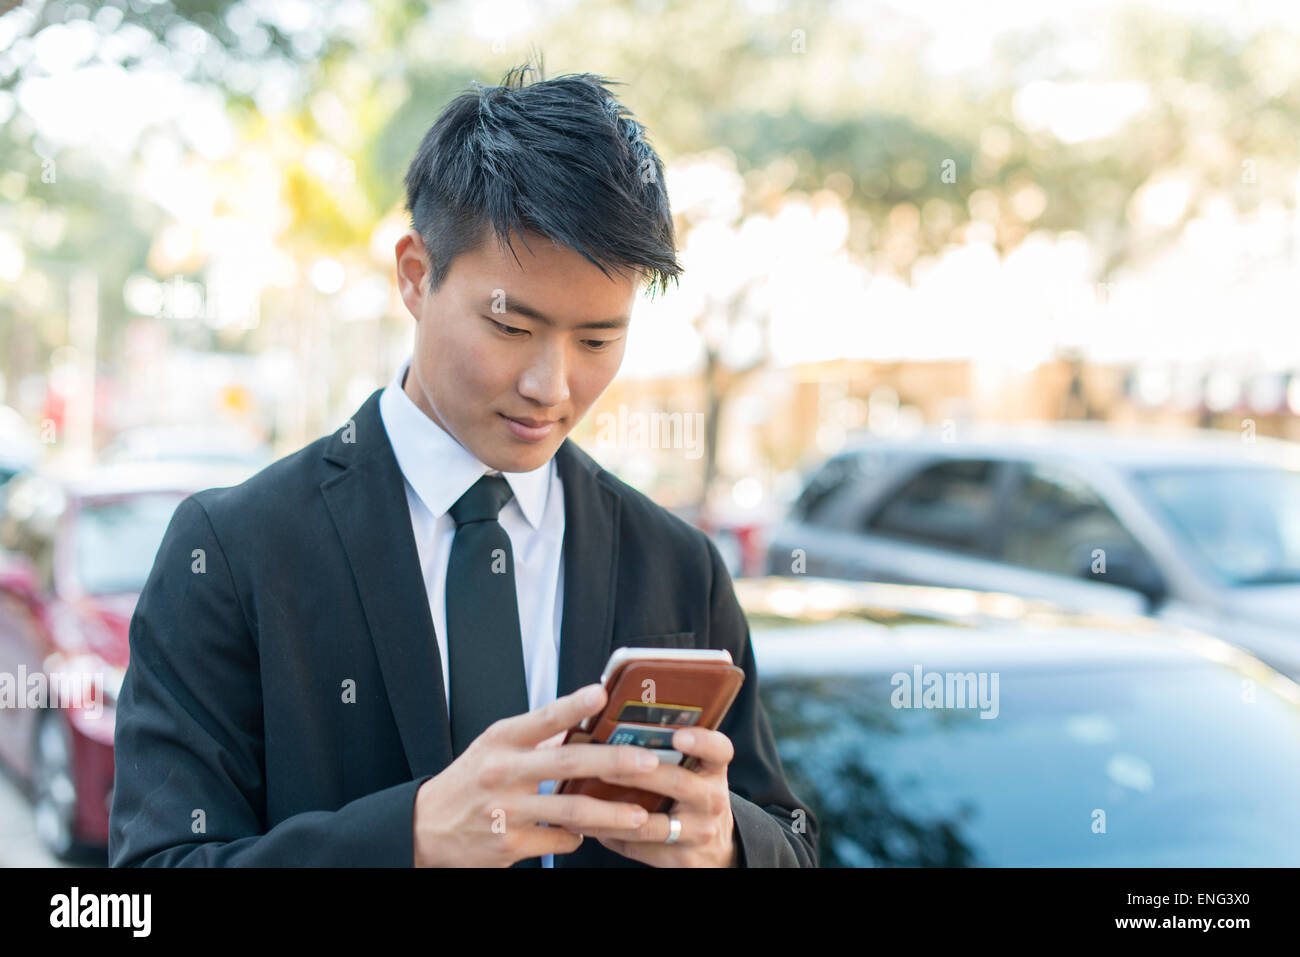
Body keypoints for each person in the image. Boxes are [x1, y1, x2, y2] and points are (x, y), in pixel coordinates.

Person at [108, 62, 818, 868]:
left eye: (597, 340)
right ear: (415, 273)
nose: (550, 386)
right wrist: (406, 838)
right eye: (511, 326)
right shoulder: (233, 553)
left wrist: (729, 843)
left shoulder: (678, 565)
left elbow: (790, 836)